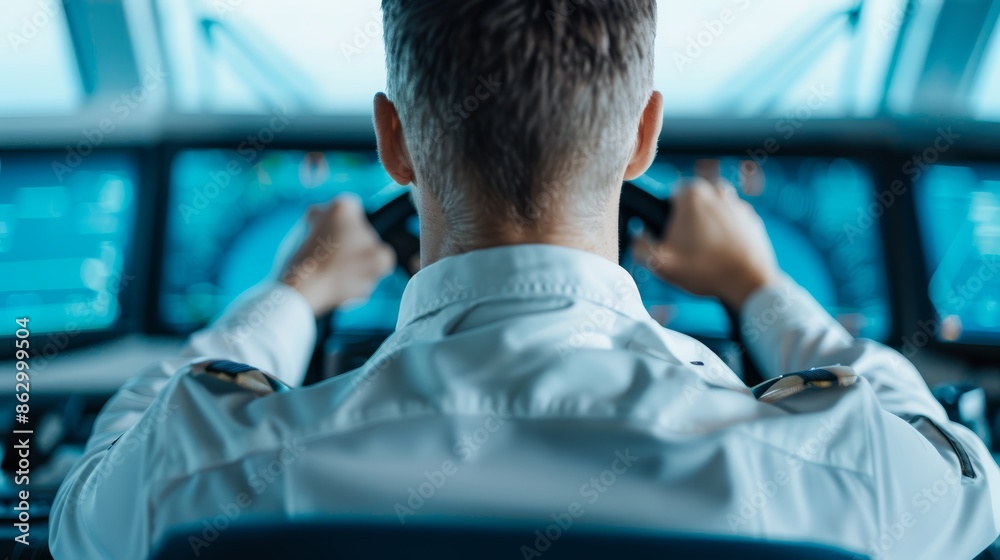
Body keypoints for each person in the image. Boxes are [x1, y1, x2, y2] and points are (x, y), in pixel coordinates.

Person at [50, 1, 999, 559]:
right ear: (643, 136)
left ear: (393, 142)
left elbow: (79, 504)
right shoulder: (843, 469)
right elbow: (966, 480)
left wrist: (291, 296)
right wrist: (761, 289)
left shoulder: (203, 470)